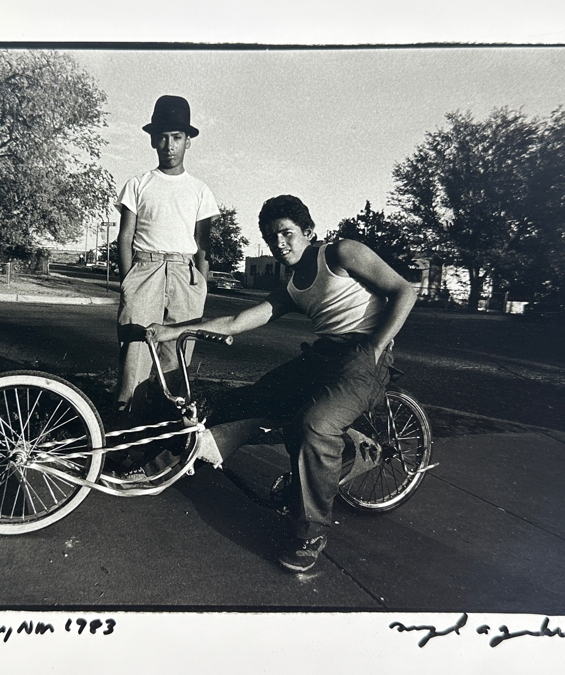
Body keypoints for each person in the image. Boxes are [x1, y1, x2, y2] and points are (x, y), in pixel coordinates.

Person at [148, 195, 417, 573]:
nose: (279, 243)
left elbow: (405, 290)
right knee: (251, 398)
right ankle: (176, 460)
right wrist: (170, 331)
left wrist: (375, 347)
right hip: (324, 356)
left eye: (287, 233)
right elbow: (237, 322)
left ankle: (312, 532)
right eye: (271, 237)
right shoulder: (292, 288)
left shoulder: (341, 252)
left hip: (364, 357)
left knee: (315, 425)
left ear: (308, 231)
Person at [113, 95, 220, 419]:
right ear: (152, 140)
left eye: (176, 137)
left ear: (188, 141)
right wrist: (129, 281)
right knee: (135, 352)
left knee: (176, 357)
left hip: (184, 272)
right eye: (162, 137)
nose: (169, 145)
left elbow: (203, 245)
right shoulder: (138, 184)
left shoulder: (200, 190)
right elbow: (125, 237)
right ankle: (125, 430)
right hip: (145, 269)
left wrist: (200, 283)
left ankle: (167, 434)